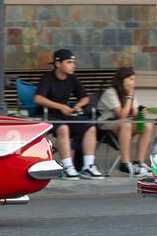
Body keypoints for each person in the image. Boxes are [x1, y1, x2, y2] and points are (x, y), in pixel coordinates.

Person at [33, 49, 104, 179]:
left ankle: (88, 167)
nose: (73, 65)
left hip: (65, 115)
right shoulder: (47, 78)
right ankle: (67, 167)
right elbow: (38, 98)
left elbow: (85, 97)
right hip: (48, 116)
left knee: (90, 128)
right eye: (69, 62)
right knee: (63, 128)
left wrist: (78, 105)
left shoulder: (72, 78)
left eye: (73, 62)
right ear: (58, 64)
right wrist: (61, 107)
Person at [98, 68, 156, 177]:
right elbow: (122, 115)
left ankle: (139, 162)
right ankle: (125, 163)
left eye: (134, 80)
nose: (133, 83)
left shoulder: (130, 93)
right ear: (122, 80)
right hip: (106, 124)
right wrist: (129, 96)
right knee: (126, 123)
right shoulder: (110, 92)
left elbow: (134, 114)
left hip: (125, 124)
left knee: (147, 125)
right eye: (131, 79)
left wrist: (140, 113)